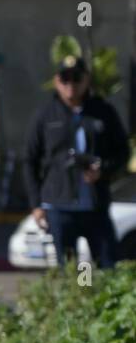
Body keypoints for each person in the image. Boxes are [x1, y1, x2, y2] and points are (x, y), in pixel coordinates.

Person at [23, 55, 128, 269]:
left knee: (109, 267)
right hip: (60, 208)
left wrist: (103, 170)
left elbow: (122, 153)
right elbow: (29, 161)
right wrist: (36, 204)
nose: (71, 85)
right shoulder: (45, 115)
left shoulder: (103, 112)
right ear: (56, 81)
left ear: (86, 80)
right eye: (65, 79)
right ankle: (78, 300)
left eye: (76, 78)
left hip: (95, 206)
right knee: (68, 272)